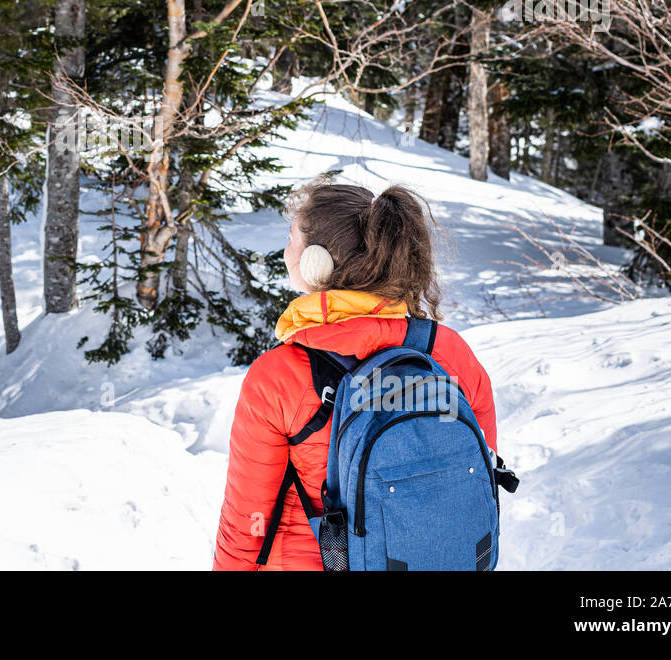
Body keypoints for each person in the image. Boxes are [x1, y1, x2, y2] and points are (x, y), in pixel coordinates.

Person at [212, 177, 498, 570]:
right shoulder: (447, 352)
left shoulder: (278, 376)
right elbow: (476, 479)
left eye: (292, 238)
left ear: (316, 261)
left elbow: (248, 524)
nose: (284, 250)